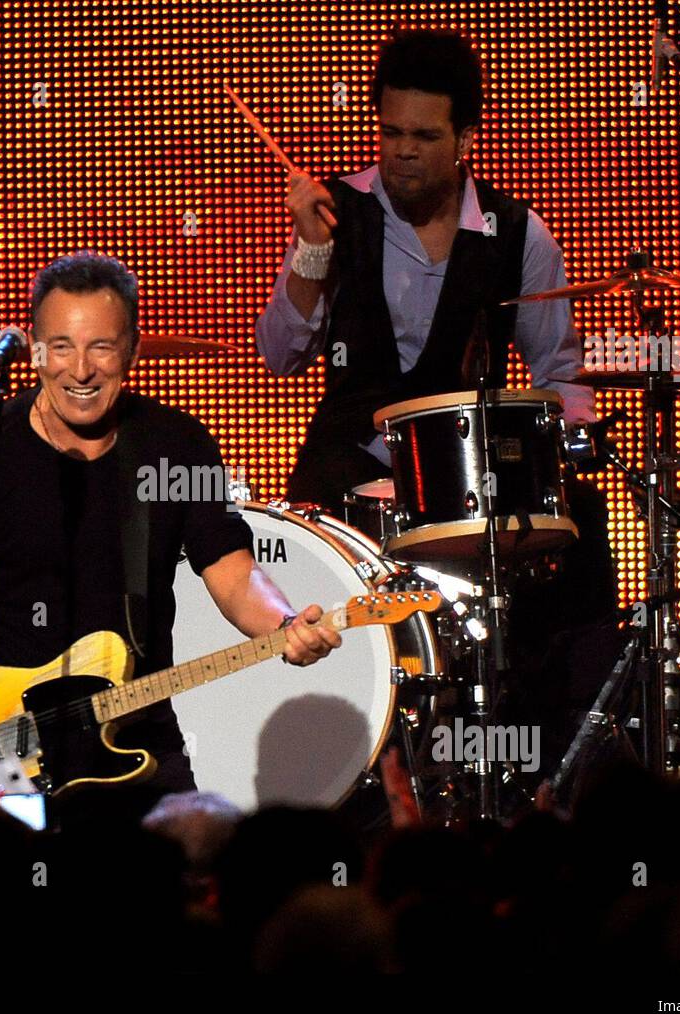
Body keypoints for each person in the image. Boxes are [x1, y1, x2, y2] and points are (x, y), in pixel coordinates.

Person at [0, 252, 341, 824]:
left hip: (138, 739)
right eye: (61, 346)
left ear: (132, 350)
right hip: (1, 749)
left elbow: (232, 570)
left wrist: (284, 625)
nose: (80, 370)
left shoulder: (174, 446)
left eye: (100, 348)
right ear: (34, 349)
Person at [257, 26, 617, 635]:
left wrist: (562, 451)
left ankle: (563, 721)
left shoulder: (519, 234)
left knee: (578, 522)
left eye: (424, 136)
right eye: (391, 133)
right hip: (349, 470)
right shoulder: (333, 214)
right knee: (298, 566)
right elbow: (280, 355)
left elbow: (559, 372)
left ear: (464, 140)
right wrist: (313, 253)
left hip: (471, 479)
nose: (402, 151)